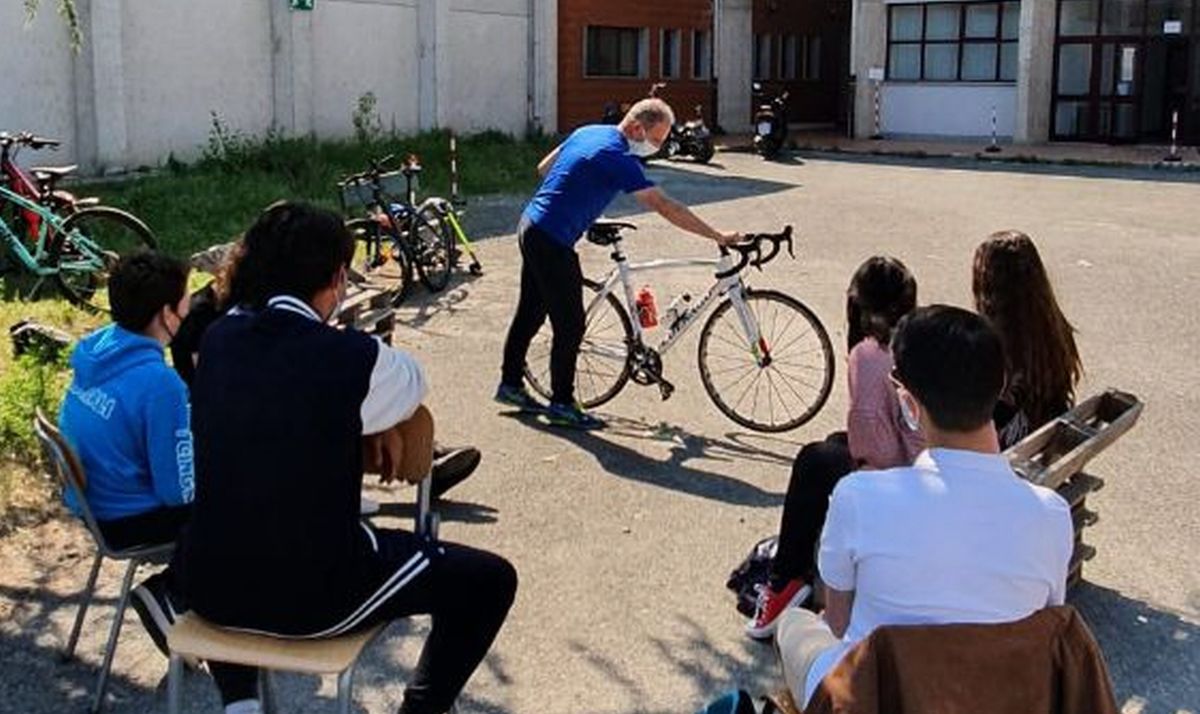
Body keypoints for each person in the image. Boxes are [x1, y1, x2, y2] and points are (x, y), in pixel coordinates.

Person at [174, 203, 517, 714]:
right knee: (489, 580)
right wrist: (369, 421)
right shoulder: (350, 358)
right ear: (337, 278)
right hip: (316, 597)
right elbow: (411, 382)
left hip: (206, 585)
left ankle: (241, 701)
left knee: (240, 523)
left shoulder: (218, 340)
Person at [775, 306, 1074, 709]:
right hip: (997, 698)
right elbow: (1045, 624)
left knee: (795, 623)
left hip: (882, 699)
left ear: (909, 403)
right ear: (1000, 383)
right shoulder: (1051, 515)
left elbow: (840, 622)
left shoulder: (858, 497)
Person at [169, 240, 482, 500]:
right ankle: (422, 461)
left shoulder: (249, 315)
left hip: (270, 430)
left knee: (360, 399)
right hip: (254, 447)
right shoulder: (217, 326)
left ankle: (426, 457)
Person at [496, 98, 739, 429]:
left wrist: (578, 197)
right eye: (656, 139)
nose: (658, 147)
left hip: (532, 225)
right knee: (570, 326)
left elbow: (545, 168)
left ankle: (510, 385)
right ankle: (562, 404)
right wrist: (717, 235)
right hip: (552, 240)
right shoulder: (619, 158)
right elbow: (665, 206)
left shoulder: (589, 132)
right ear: (637, 128)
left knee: (531, 311)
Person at [747, 257, 923, 639]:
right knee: (831, 447)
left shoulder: (870, 353)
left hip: (904, 480)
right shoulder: (919, 339)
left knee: (814, 460)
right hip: (929, 464)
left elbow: (874, 449)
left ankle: (785, 580)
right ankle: (796, 569)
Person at [57, 251, 193, 654]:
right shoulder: (161, 384)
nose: (189, 308)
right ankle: (172, 593)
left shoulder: (97, 350)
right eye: (184, 302)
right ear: (166, 313)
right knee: (249, 502)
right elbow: (178, 493)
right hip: (129, 521)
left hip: (93, 505)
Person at [973, 230, 1083, 448]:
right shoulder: (1052, 325)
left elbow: (985, 420)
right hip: (1042, 436)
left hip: (1008, 447)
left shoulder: (994, 341)